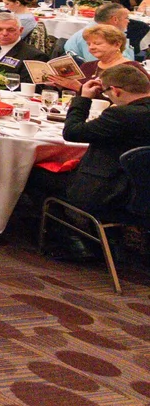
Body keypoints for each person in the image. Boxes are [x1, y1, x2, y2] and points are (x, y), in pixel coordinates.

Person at [27, 63, 150, 261]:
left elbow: (72, 132)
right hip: (142, 192)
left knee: (33, 175)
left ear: (116, 91)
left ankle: (75, 241)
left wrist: (83, 98)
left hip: (111, 192)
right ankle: (107, 240)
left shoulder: (122, 115)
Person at [49, 24, 139, 93]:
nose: (91, 47)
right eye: (89, 44)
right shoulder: (87, 66)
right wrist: (61, 84)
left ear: (117, 44)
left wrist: (79, 88)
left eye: (97, 43)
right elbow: (73, 93)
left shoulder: (131, 68)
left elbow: (135, 100)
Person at [0, 12, 47, 79]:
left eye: (11, 30)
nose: (4, 33)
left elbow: (31, 87)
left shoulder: (33, 56)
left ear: (20, 30)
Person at [63, 3, 138, 62]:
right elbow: (96, 65)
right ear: (115, 19)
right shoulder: (93, 36)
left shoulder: (106, 33)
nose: (128, 21)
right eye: (126, 18)